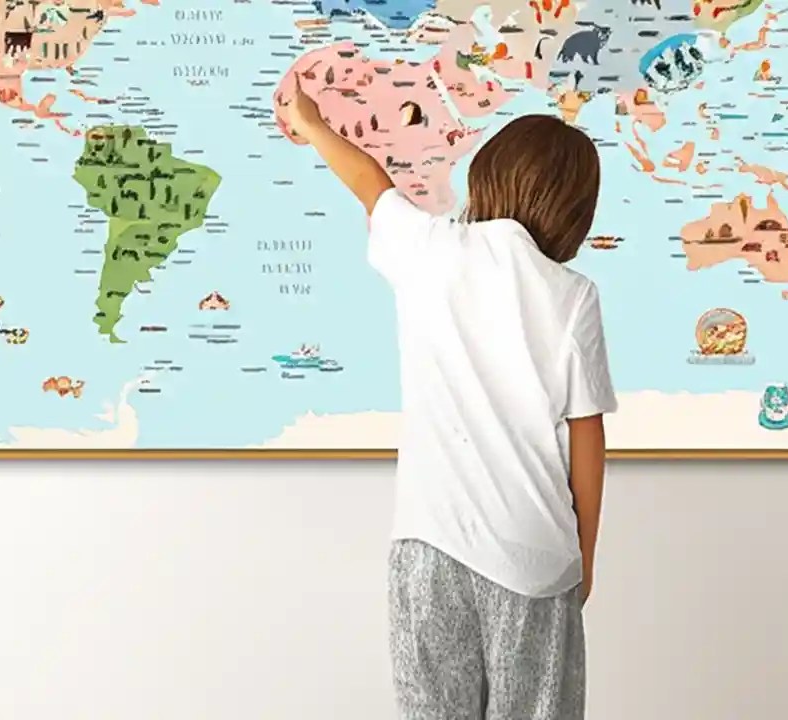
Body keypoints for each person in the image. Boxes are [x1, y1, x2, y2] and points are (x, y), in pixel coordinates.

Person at [280, 74, 616, 720]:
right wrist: (587, 556)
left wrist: (314, 124)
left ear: (490, 174)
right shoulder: (573, 297)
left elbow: (369, 184)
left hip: (425, 547)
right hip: (532, 554)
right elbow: (587, 437)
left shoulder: (430, 250)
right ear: (573, 213)